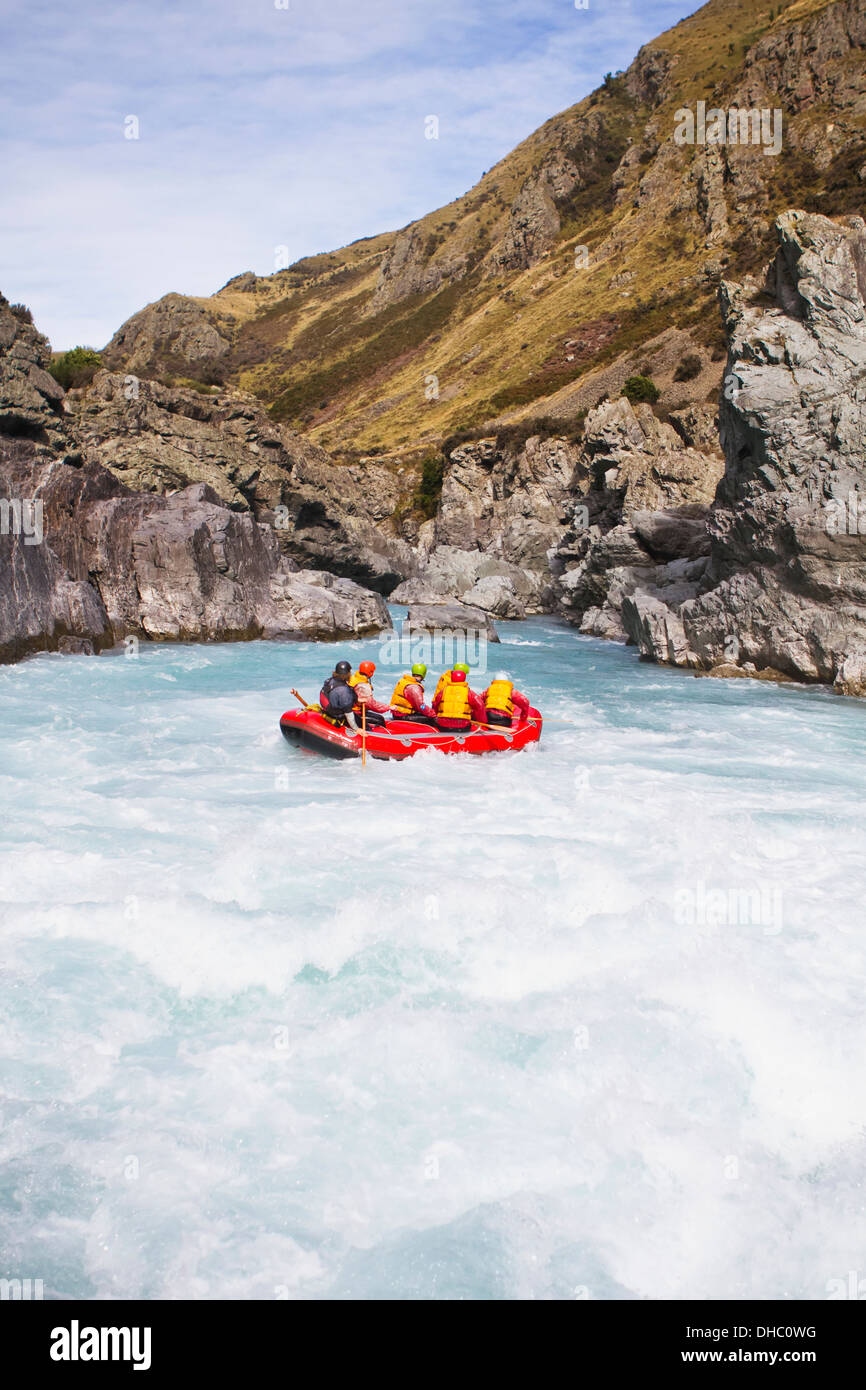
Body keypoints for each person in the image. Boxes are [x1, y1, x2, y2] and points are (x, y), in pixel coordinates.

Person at [389, 663, 438, 727]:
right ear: (424, 674)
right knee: (432, 719)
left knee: (424, 713)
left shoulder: (405, 681)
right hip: (404, 716)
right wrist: (433, 714)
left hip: (397, 714)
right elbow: (421, 706)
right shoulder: (414, 687)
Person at [349, 660, 390, 730]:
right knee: (380, 719)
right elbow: (371, 704)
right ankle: (376, 735)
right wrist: (388, 707)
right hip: (355, 713)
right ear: (370, 672)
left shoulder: (353, 678)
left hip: (349, 709)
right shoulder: (363, 685)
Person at [319, 660, 357, 727]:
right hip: (338, 716)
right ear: (346, 674)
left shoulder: (330, 680)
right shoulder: (343, 691)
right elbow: (348, 713)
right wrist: (356, 729)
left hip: (328, 711)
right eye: (349, 672)